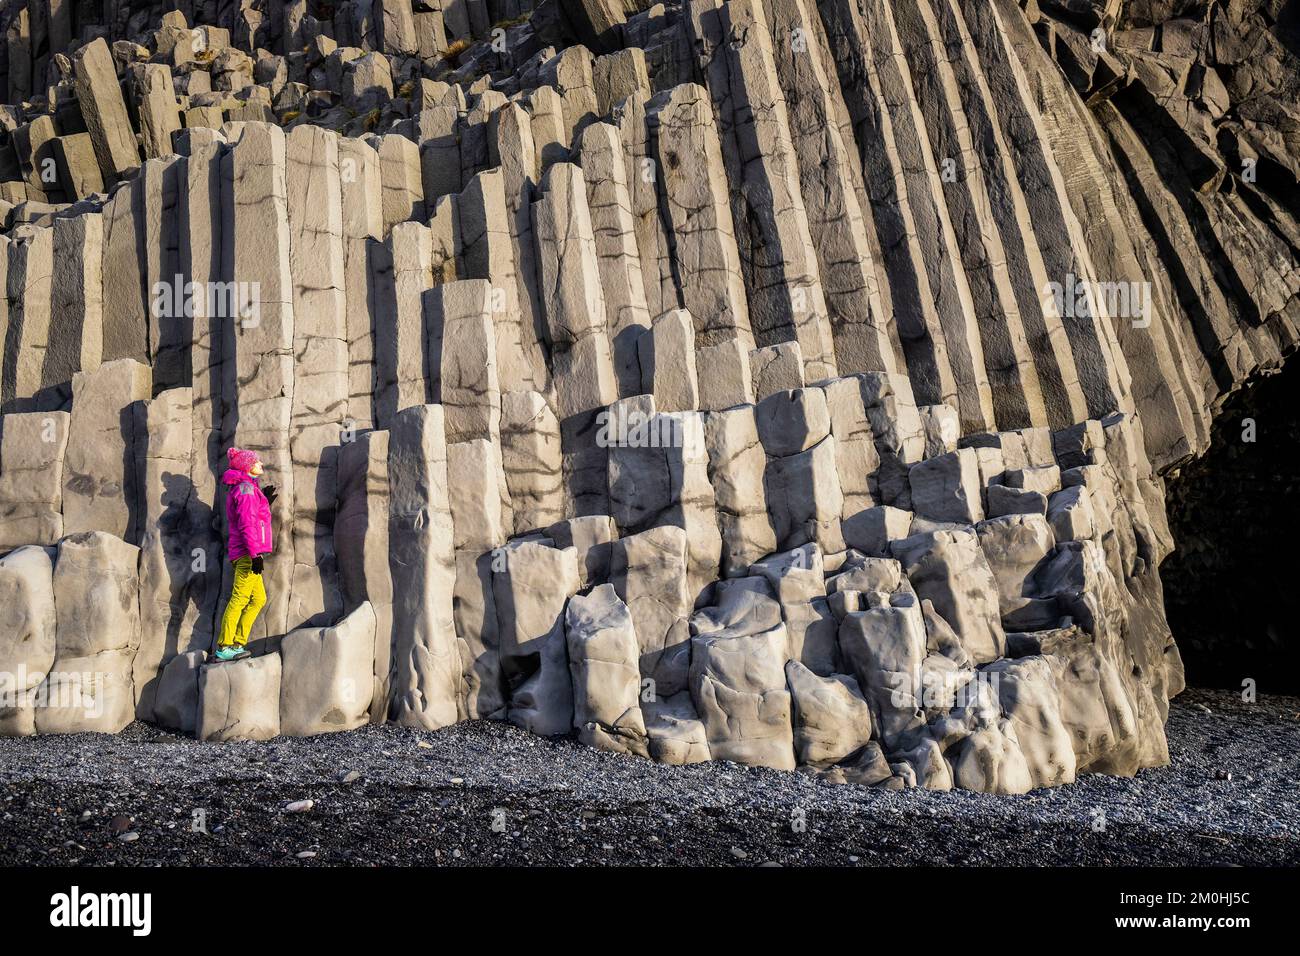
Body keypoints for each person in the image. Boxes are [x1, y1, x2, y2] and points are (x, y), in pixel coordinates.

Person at [214, 447, 278, 662]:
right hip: (246, 554)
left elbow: (252, 516)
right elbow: (246, 525)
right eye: (257, 462)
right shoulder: (245, 489)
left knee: (258, 599)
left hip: (248, 552)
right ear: (247, 466)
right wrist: (255, 555)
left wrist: (264, 501)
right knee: (239, 599)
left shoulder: (248, 488)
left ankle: (238, 643)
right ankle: (224, 647)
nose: (261, 464)